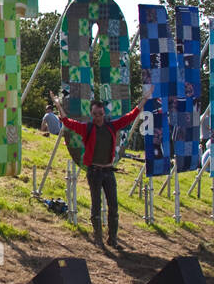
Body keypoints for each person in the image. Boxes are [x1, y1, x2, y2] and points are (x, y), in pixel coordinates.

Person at [51, 90, 150, 247]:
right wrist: (58, 105)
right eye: (95, 114)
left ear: (104, 113)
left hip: (108, 171)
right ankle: (98, 240)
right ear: (91, 114)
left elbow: (130, 117)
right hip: (95, 172)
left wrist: (144, 100)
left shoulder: (111, 126)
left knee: (114, 207)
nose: (98, 117)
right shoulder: (87, 128)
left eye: (100, 114)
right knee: (96, 205)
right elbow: (67, 122)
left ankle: (113, 239)